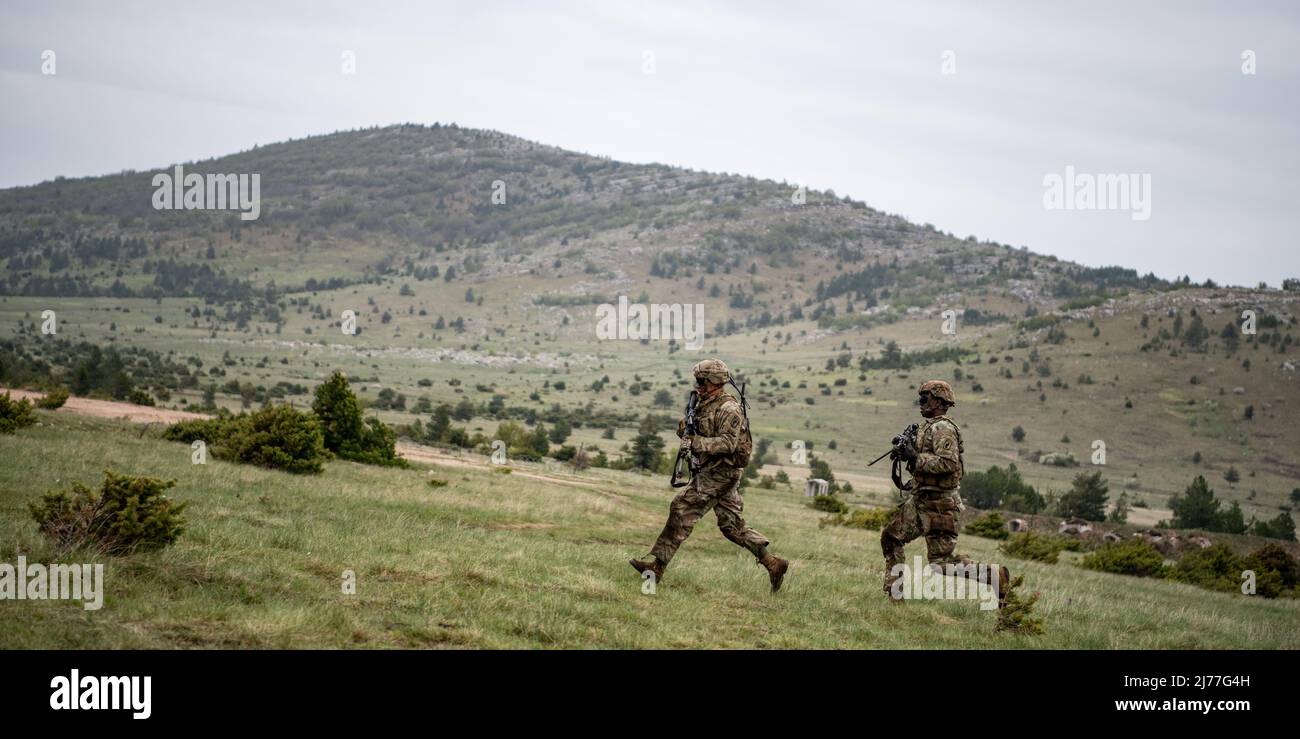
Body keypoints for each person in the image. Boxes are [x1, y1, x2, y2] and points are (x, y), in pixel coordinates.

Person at [629, 359, 790, 592]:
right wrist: (685, 431)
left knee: (681, 508)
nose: (697, 384)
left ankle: (657, 568)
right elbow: (695, 431)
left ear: (714, 381)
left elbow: (728, 443)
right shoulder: (704, 402)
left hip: (722, 472)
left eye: (701, 380)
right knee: (731, 527)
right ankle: (773, 563)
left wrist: (695, 442)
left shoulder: (729, 409)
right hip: (712, 470)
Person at [880, 380, 1010, 606]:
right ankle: (895, 600)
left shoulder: (943, 428)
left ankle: (993, 575)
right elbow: (926, 464)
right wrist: (907, 456)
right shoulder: (928, 427)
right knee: (891, 538)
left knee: (941, 563)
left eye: (925, 398)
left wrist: (915, 457)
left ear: (939, 401)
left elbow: (948, 464)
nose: (920, 402)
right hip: (921, 500)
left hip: (940, 505)